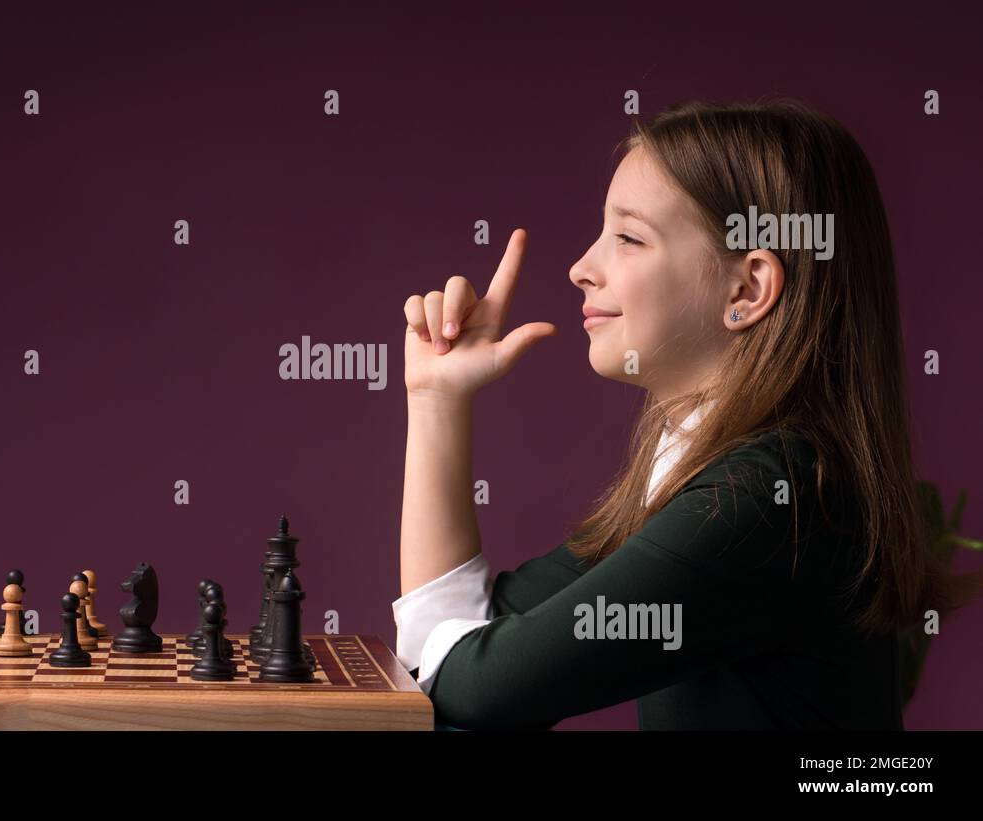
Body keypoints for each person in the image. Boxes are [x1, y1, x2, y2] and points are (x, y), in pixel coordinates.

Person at [395, 99, 977, 731]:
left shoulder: (768, 498)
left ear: (747, 289)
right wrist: (436, 401)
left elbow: (477, 691)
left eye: (628, 237)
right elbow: (445, 652)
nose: (581, 268)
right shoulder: (721, 475)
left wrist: (461, 669)